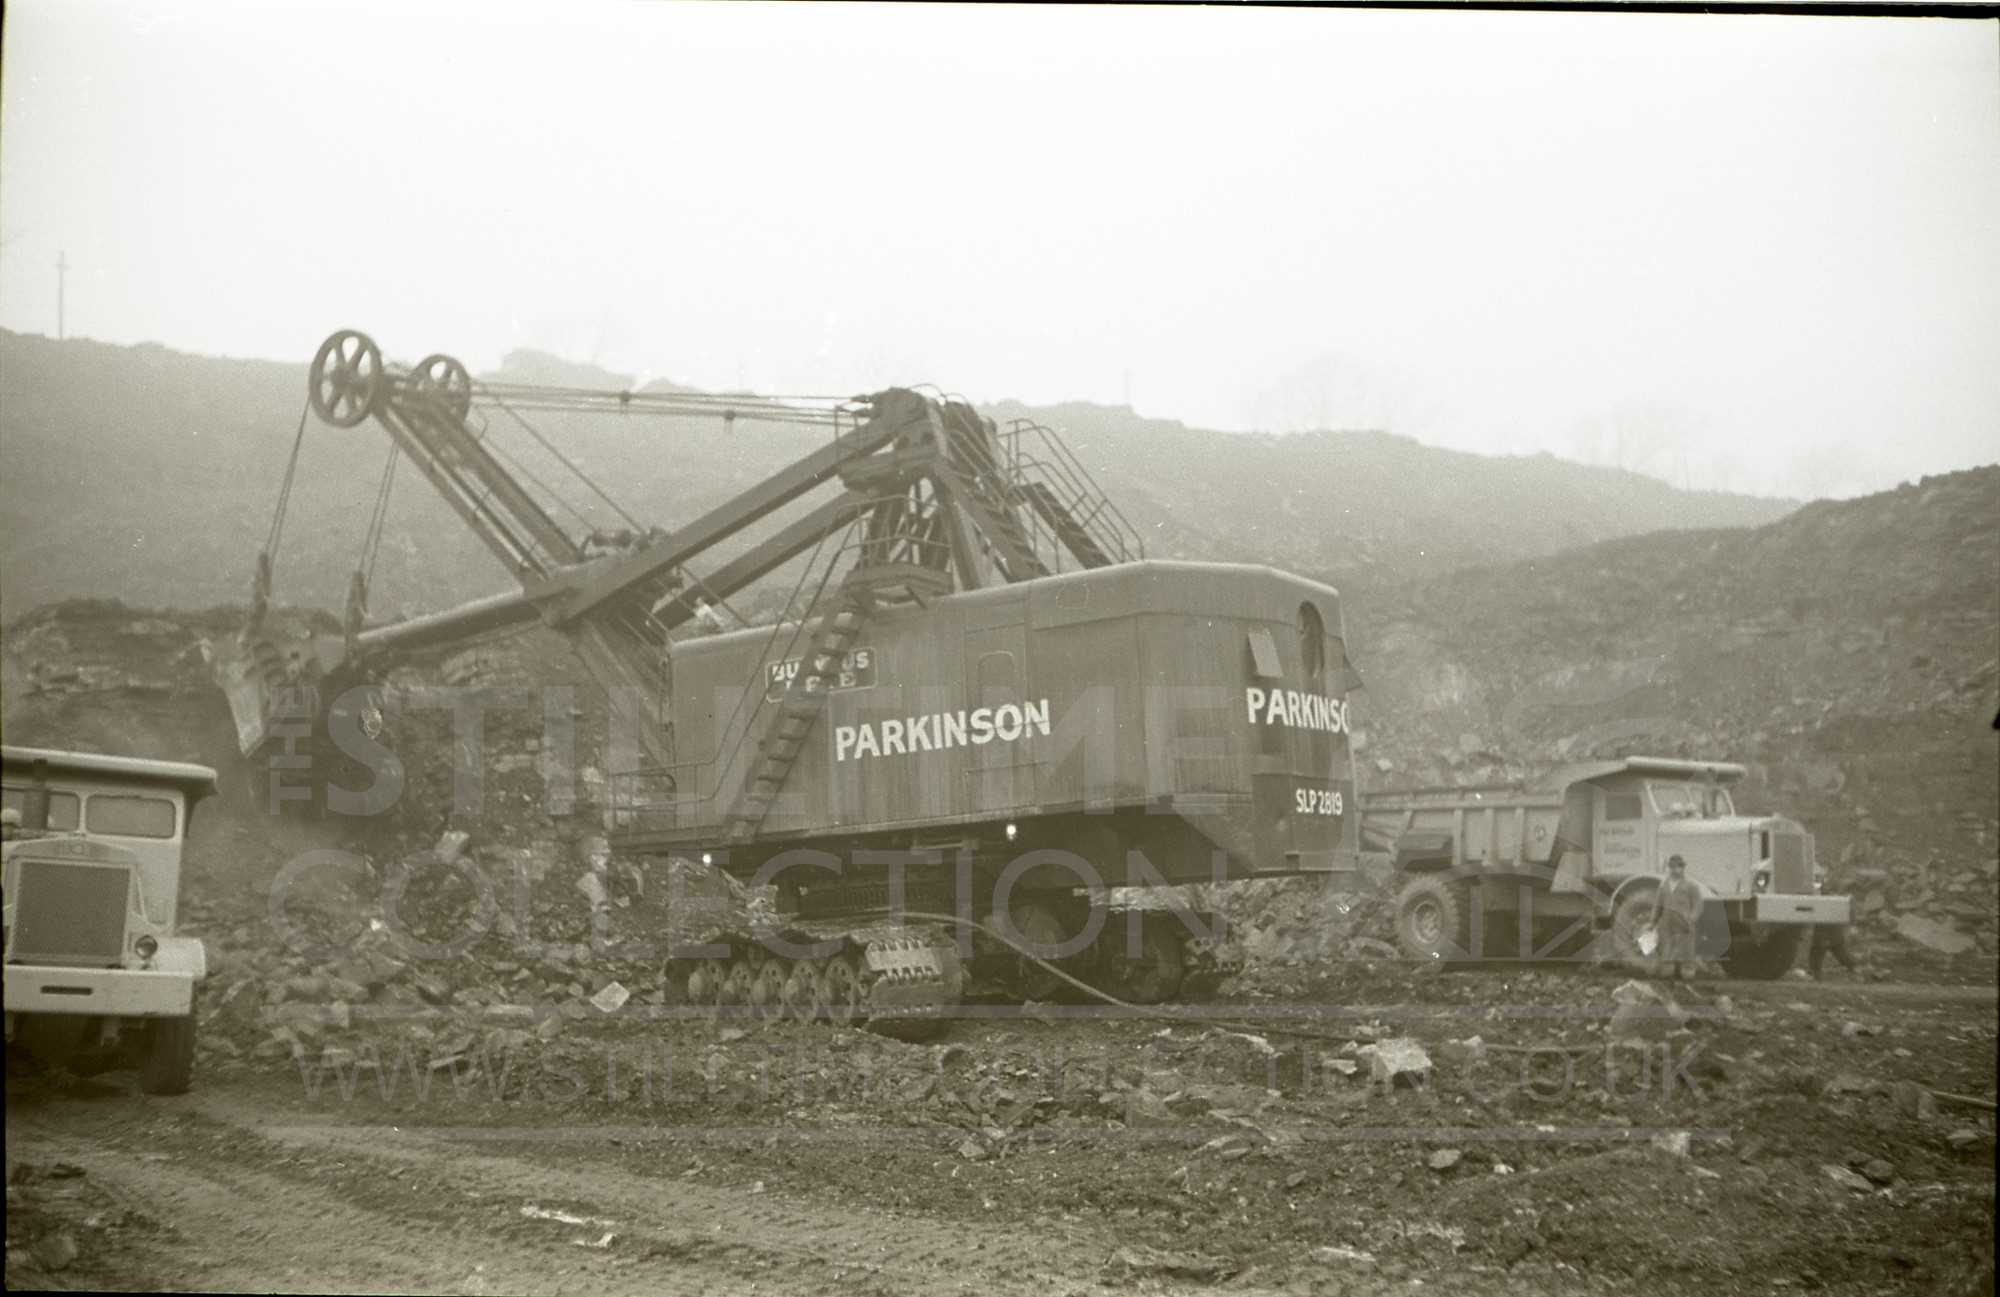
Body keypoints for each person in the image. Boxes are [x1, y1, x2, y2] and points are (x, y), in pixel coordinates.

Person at [1649, 854, 1704, 980]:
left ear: (1683, 868)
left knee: (1687, 952)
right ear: (1669, 868)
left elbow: (1698, 905)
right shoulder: (1664, 885)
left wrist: (1691, 919)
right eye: (1673, 867)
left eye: (1679, 867)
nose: (1676, 870)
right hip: (1667, 924)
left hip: (1684, 924)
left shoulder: (1691, 885)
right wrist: (1652, 922)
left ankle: (1687, 975)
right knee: (1668, 952)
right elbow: (1658, 905)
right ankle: (1670, 976)